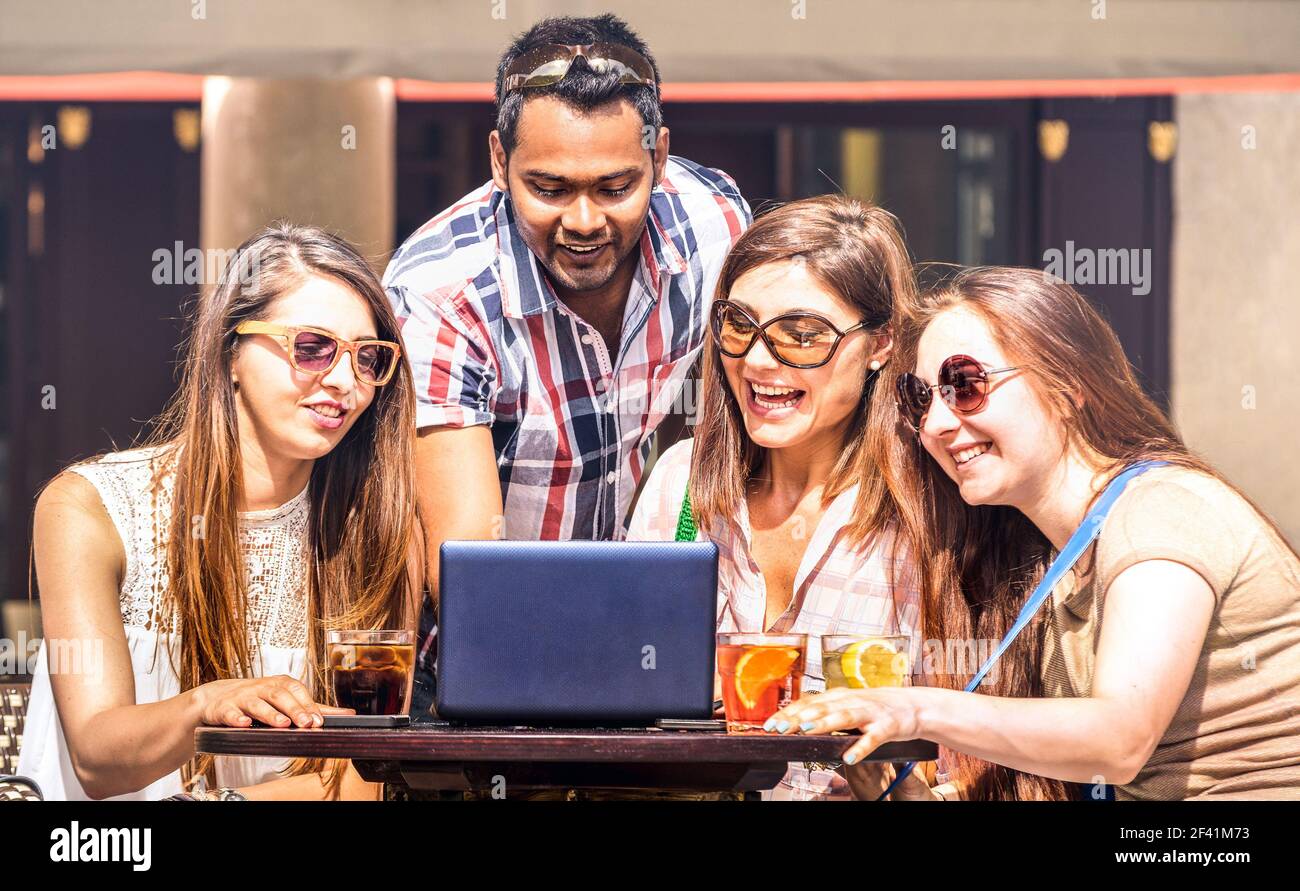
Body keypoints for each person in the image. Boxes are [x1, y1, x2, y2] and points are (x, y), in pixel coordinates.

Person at [769, 266, 1300, 800]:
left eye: (965, 385)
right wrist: (892, 789)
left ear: (1069, 387)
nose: (934, 423)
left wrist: (910, 709)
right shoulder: (1058, 559)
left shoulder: (1160, 509)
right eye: (919, 398)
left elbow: (1120, 741)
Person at [384, 13, 751, 716]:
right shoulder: (443, 289)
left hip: (637, 641)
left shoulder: (715, 226)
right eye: (548, 189)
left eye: (616, 187)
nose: (584, 220)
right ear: (498, 161)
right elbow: (472, 582)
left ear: (661, 158)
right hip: (477, 660)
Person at [18, 223, 421, 800]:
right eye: (312, 348)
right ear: (231, 351)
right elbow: (97, 758)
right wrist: (207, 704)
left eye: (367, 358)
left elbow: (359, 779)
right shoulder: (88, 507)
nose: (343, 382)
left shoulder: (377, 532)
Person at [628, 195, 922, 800]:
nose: (758, 360)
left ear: (881, 343)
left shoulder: (923, 509)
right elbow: (627, 701)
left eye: (802, 334)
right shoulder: (681, 482)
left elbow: (971, 761)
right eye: (739, 324)